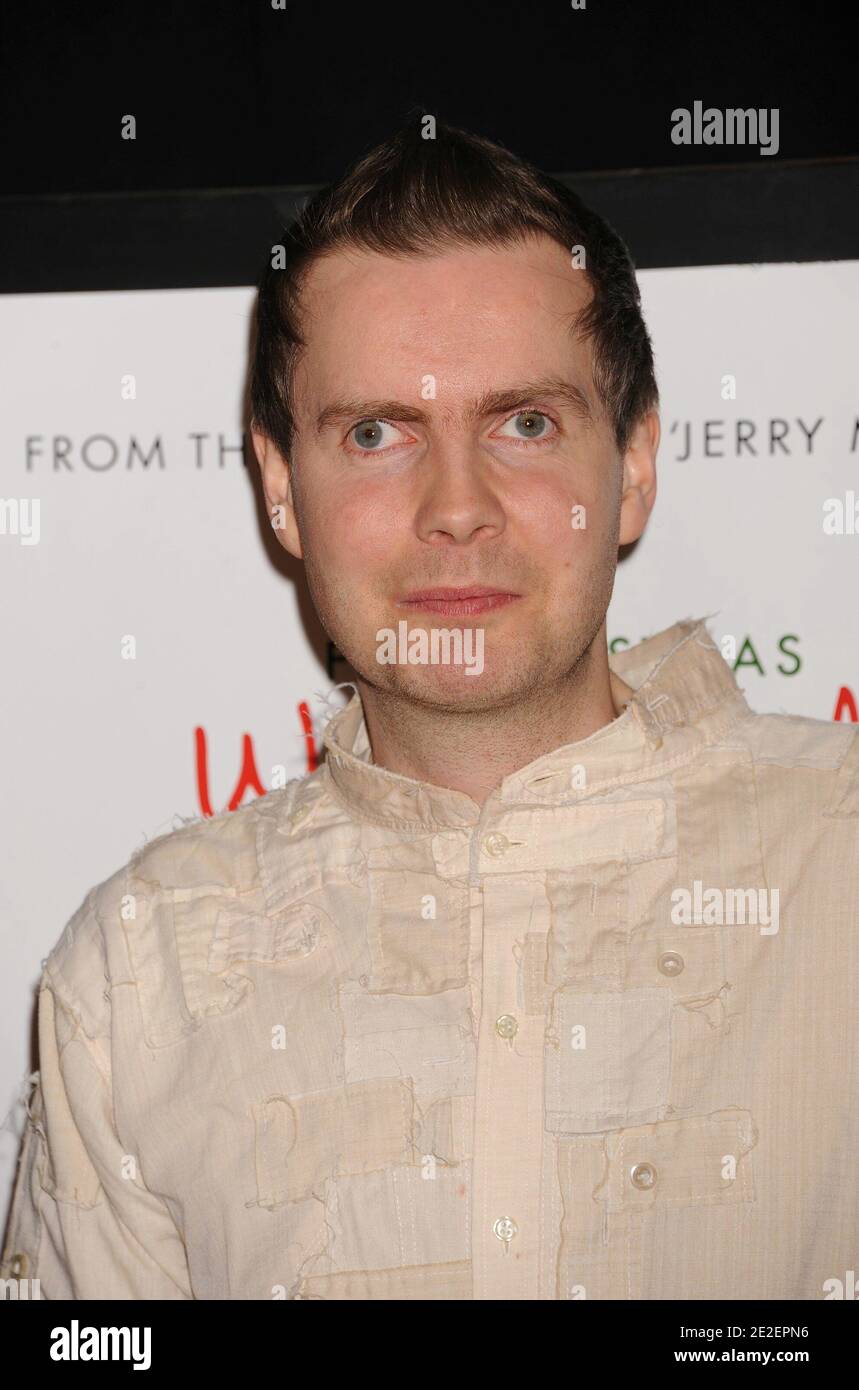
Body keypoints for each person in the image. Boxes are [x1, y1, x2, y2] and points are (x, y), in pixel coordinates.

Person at [3, 118, 857, 1301]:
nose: (456, 507)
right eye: (374, 433)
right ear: (278, 488)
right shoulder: (138, 979)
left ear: (638, 463)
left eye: (524, 423)